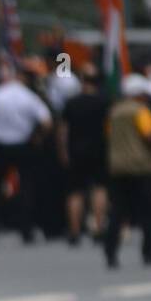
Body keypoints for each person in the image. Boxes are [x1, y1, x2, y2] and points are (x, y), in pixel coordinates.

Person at [0, 60, 52, 245]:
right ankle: (26, 230)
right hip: (23, 146)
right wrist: (38, 137)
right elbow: (46, 122)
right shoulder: (29, 97)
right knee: (26, 187)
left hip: (0, 146)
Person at [103, 74, 151, 269]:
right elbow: (150, 136)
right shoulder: (141, 111)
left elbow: (108, 135)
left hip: (118, 167)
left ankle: (110, 252)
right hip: (141, 167)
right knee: (147, 212)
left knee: (117, 211)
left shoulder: (114, 112)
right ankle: (148, 253)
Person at [57, 63, 109, 244]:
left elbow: (63, 131)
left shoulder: (71, 103)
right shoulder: (104, 102)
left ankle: (74, 230)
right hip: (99, 151)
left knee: (75, 192)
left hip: (75, 152)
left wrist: (63, 152)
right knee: (99, 189)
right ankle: (99, 226)